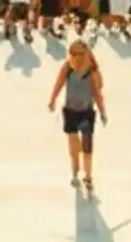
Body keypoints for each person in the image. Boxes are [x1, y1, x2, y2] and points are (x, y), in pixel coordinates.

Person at [47, 40, 106, 191]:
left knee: (87, 145)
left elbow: (97, 93)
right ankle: (75, 173)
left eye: (79, 54)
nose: (76, 57)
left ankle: (88, 175)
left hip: (86, 112)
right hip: (70, 111)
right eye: (73, 54)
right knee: (74, 147)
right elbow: (59, 84)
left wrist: (102, 111)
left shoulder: (91, 71)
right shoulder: (67, 68)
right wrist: (53, 99)